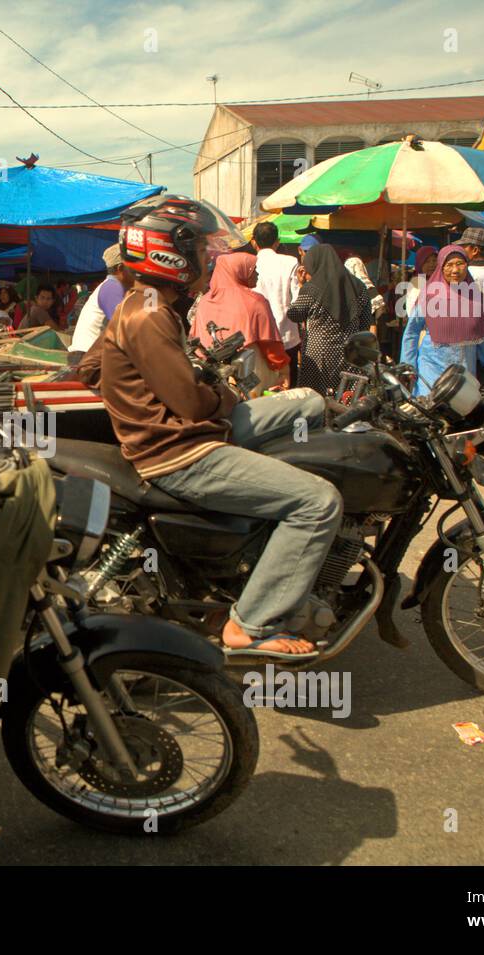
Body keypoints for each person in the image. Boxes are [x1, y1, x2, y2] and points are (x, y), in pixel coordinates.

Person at [87, 194, 341, 659]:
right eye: (200, 250)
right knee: (319, 501)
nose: (207, 259)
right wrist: (221, 393)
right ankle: (251, 623)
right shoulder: (146, 313)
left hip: (189, 434)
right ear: (169, 254)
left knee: (309, 404)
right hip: (180, 452)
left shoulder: (143, 302)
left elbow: (92, 368)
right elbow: (191, 404)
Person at [400, 244, 484, 396]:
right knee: (430, 414)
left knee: (461, 415)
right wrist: (408, 365)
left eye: (460, 264)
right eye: (449, 265)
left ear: (467, 266)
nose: (455, 270)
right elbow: (412, 333)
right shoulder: (429, 297)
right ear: (441, 268)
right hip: (431, 373)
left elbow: (483, 334)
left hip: (464, 375)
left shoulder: (476, 298)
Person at [191, 252, 290, 392]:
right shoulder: (255, 301)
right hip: (251, 370)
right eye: (252, 269)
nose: (257, 274)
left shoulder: (205, 302)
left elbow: (195, 341)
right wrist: (283, 370)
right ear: (239, 272)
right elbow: (270, 344)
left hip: (213, 376)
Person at [286, 242, 372, 395]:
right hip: (350, 353)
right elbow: (365, 323)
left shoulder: (311, 288)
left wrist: (301, 286)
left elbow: (295, 314)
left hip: (319, 355)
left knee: (316, 398)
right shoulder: (358, 286)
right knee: (345, 397)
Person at [249, 221, 302, 384]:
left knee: (262, 385)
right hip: (287, 336)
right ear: (277, 242)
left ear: (253, 242)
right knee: (288, 387)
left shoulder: (248, 263)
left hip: (258, 337)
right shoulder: (291, 262)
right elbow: (297, 299)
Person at [68, 244, 133, 362]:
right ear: (120, 268)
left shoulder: (114, 286)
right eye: (132, 265)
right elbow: (123, 326)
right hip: (87, 356)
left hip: (88, 354)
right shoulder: (112, 287)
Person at [401, 245, 440, 319]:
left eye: (434, 260)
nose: (431, 264)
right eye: (427, 261)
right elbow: (412, 311)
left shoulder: (440, 280)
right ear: (420, 263)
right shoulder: (417, 282)